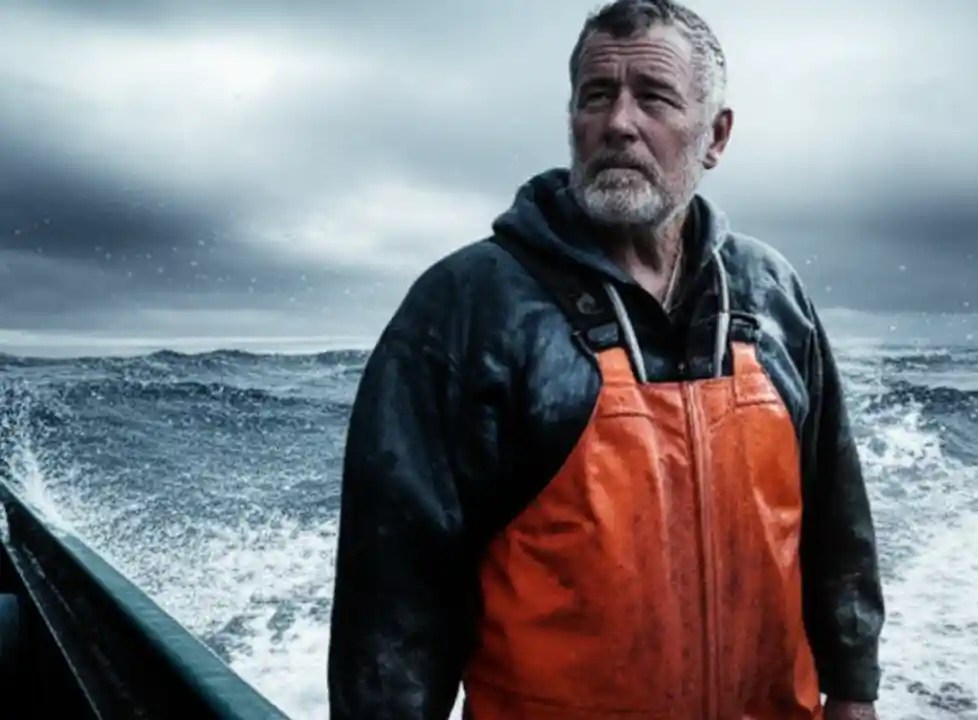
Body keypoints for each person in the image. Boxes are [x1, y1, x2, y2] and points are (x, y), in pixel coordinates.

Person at [326, 1, 885, 718]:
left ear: (715, 136)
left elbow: (834, 514)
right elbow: (394, 591)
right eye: (597, 96)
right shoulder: (468, 305)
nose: (618, 122)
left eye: (653, 97)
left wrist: (853, 687)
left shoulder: (769, 292)